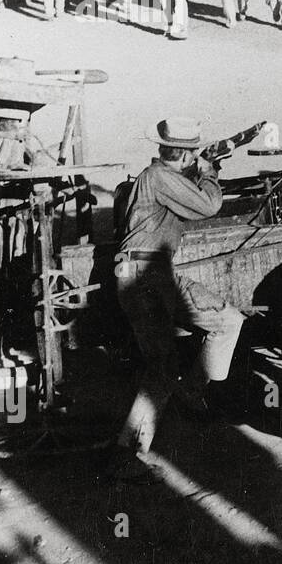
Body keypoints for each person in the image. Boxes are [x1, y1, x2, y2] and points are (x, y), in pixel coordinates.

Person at [107, 118, 246, 482]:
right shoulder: (157, 177)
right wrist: (210, 170)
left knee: (228, 321)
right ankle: (128, 452)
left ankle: (191, 393)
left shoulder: (159, 179)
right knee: (161, 366)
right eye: (193, 154)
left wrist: (206, 167)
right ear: (183, 154)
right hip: (144, 276)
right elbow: (209, 205)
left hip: (153, 274)